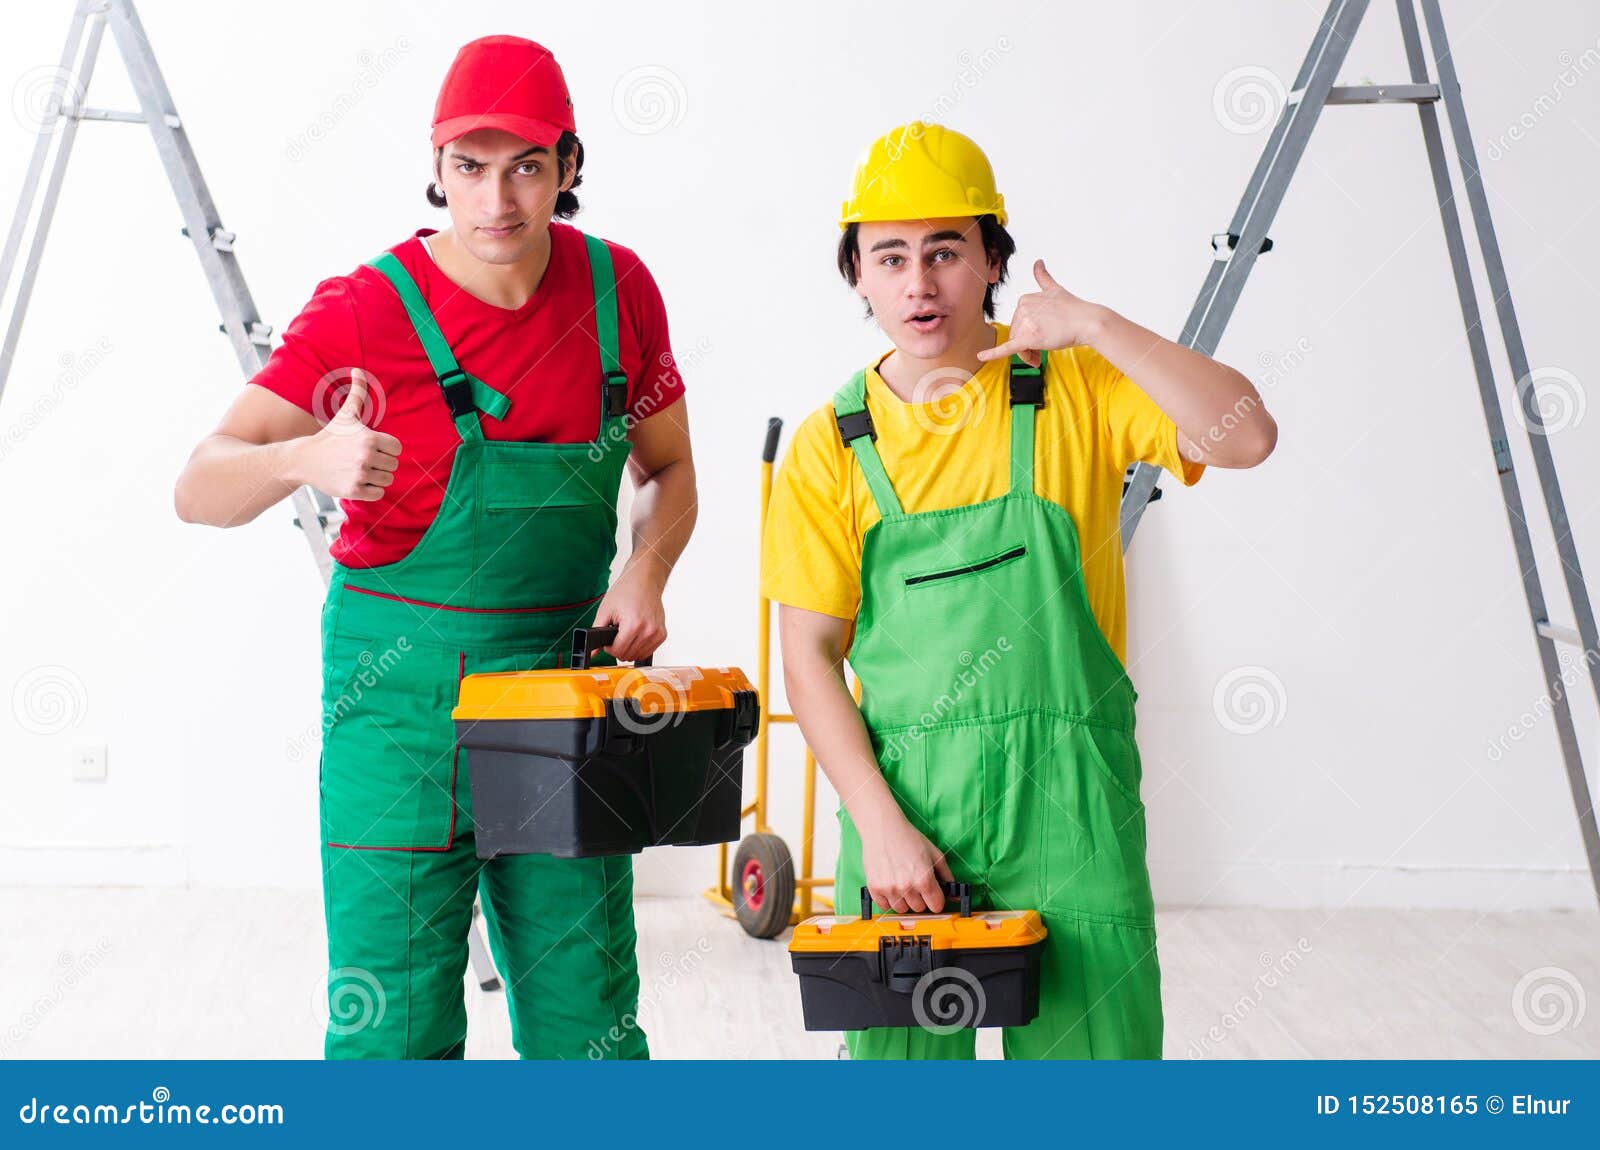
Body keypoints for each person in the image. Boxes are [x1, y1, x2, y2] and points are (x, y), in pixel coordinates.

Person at [174, 36, 695, 1059]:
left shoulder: (616, 290)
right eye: (469, 166)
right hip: (399, 709)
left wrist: (646, 566)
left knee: (588, 1019)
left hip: (560, 697)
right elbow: (200, 483)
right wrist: (307, 459)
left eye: (526, 166)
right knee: (391, 1030)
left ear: (570, 167)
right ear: (437, 165)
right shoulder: (368, 309)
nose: (496, 199)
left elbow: (669, 470)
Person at [762, 121, 1276, 1059]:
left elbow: (1245, 435)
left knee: (1095, 1080)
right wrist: (879, 827)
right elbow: (807, 656)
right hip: (907, 806)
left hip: (1070, 805)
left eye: (947, 252)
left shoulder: (1076, 387)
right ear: (859, 276)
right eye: (891, 256)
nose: (920, 284)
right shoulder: (831, 445)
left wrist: (1097, 328)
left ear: (993, 258)